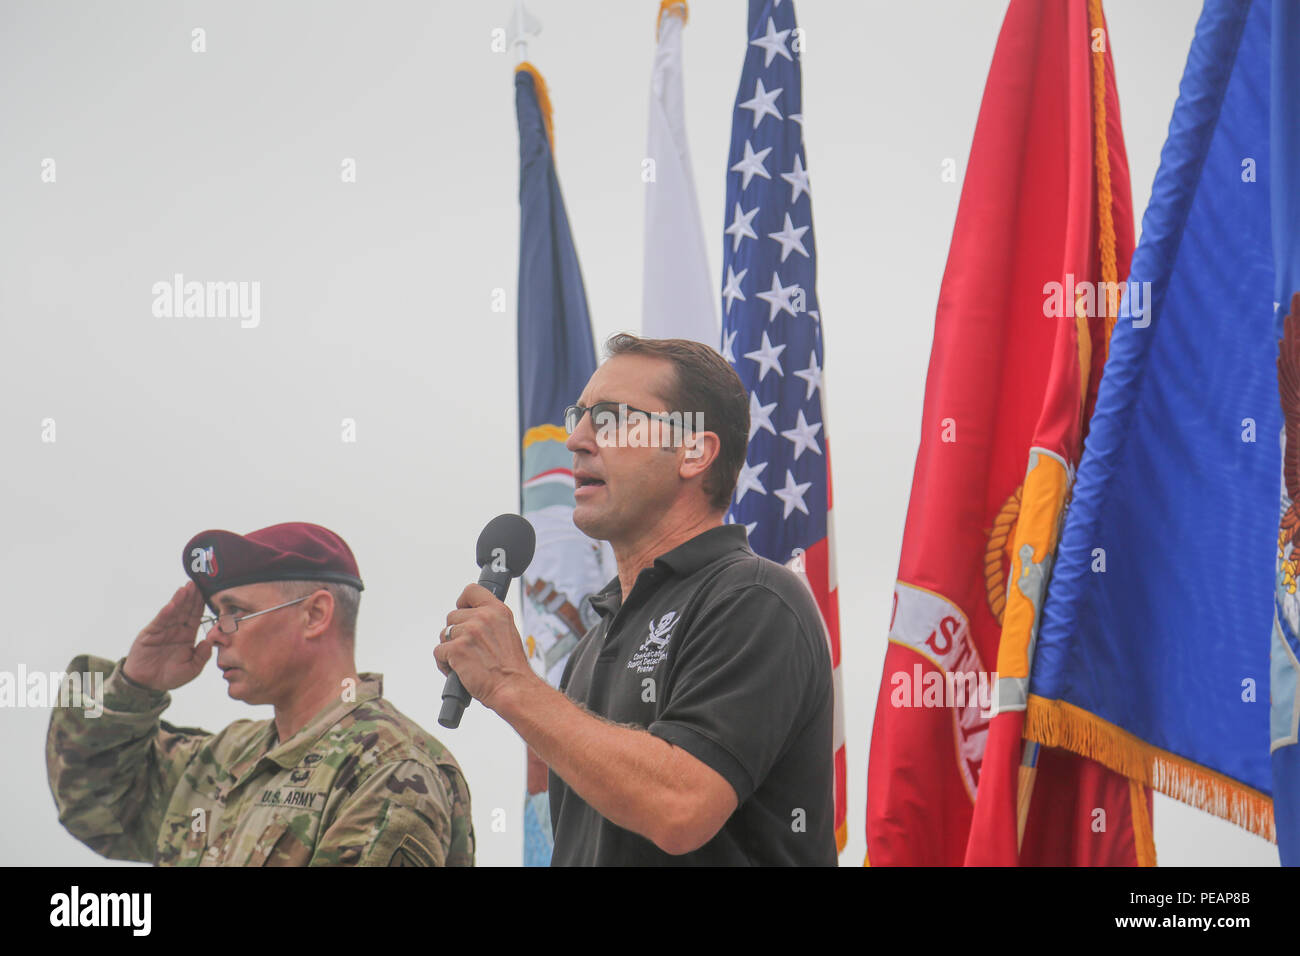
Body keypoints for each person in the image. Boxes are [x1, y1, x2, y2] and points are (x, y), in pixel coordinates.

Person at [436, 334, 836, 865]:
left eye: (609, 418)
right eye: (578, 415)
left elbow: (682, 807)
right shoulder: (592, 642)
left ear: (695, 452)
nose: (575, 438)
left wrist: (512, 684)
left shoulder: (756, 600)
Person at [47, 522, 474, 866]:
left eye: (236, 612)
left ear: (315, 614)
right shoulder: (227, 758)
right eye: (215, 614)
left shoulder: (391, 772)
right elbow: (94, 803)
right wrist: (135, 687)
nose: (214, 634)